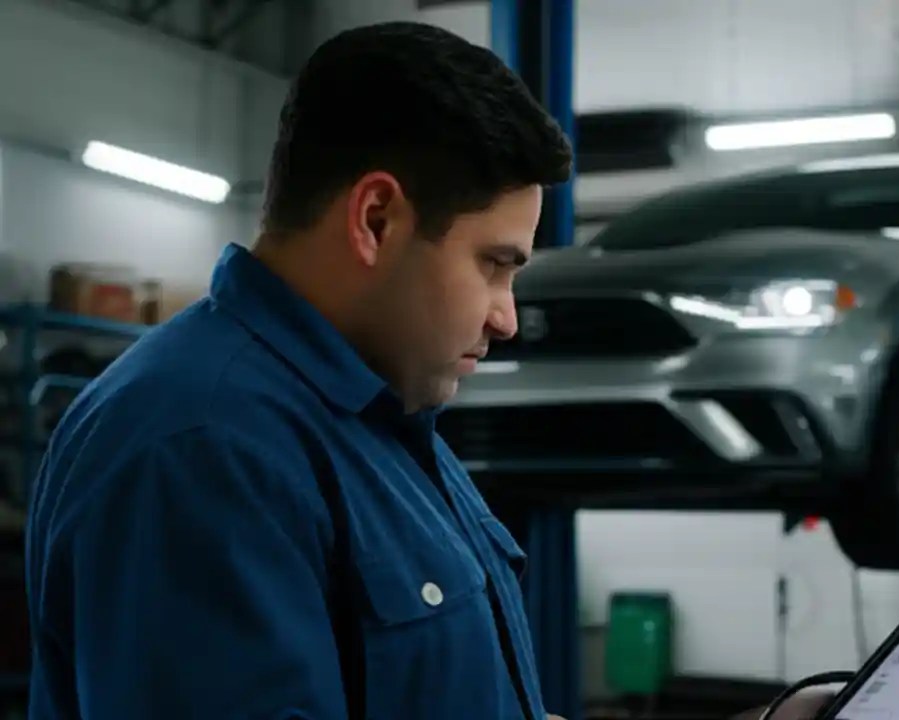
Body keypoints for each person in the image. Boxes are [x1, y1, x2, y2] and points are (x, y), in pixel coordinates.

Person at [24, 20, 826, 720]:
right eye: (494, 265)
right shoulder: (201, 445)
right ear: (377, 220)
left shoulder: (384, 428)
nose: (507, 317)